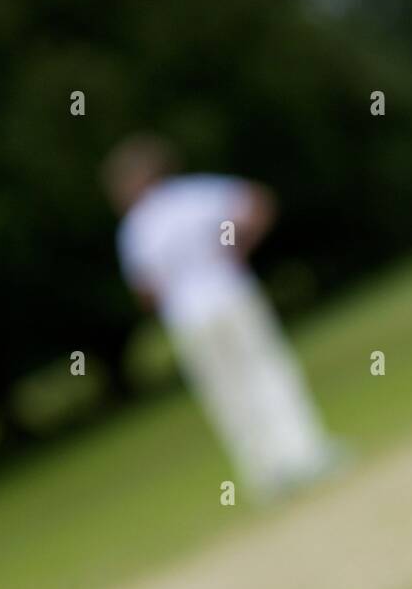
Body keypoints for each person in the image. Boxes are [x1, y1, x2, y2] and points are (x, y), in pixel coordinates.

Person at [102, 135, 339, 501]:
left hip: (191, 315)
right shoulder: (193, 196)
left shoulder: (137, 227)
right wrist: (237, 250)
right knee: (261, 373)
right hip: (228, 296)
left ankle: (270, 471)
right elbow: (255, 202)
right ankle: (300, 455)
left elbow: (146, 289)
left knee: (231, 389)